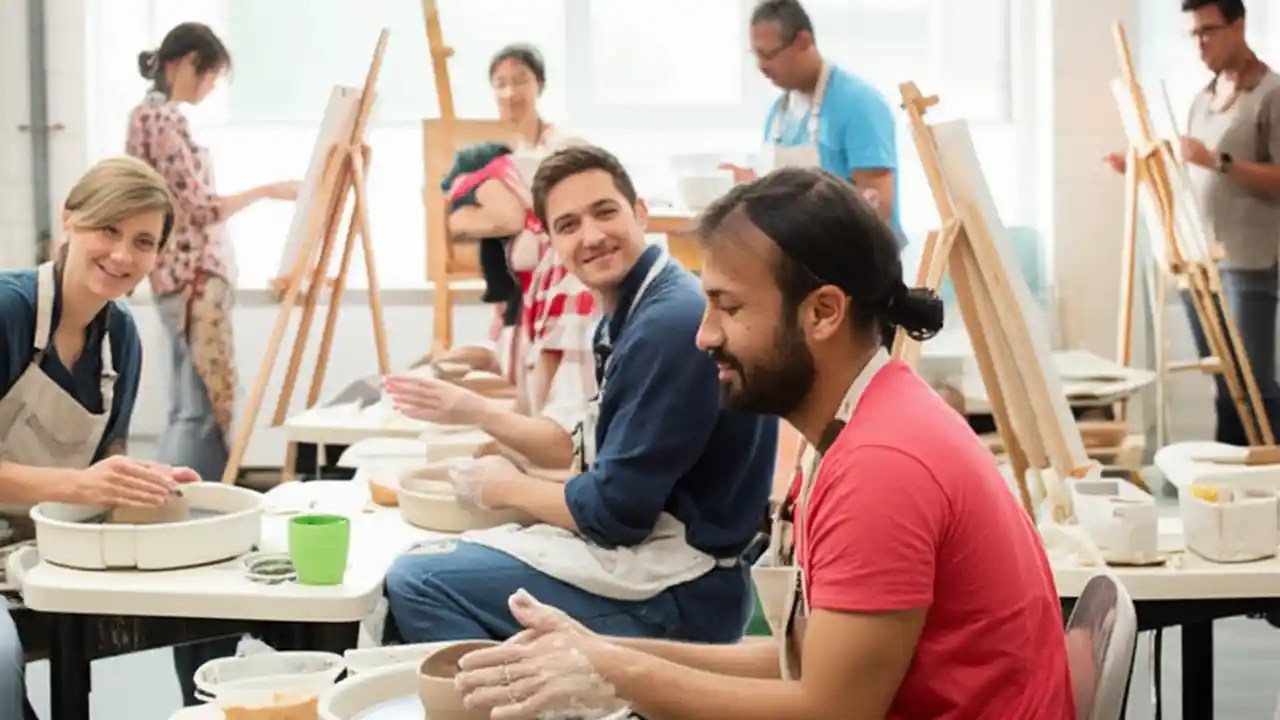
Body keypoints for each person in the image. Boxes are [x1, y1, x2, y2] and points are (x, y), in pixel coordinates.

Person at [450, 167, 1076, 720]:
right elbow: (800, 663)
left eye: (728, 307)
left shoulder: (882, 465)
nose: (703, 336)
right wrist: (601, 653)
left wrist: (618, 675)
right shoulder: (853, 425)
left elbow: (830, 709)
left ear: (824, 312)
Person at [383, 145, 778, 646]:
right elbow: (596, 459)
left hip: (683, 592)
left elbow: (615, 516)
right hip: (663, 562)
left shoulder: (668, 322)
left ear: (640, 213)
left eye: (605, 212)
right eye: (568, 225)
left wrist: (506, 487)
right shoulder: (629, 310)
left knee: (418, 581)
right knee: (436, 558)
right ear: (549, 240)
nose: (591, 236)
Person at [124, 22, 299, 705]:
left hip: (180, 280)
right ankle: (187, 518)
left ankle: (176, 512)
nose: (205, 89)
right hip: (193, 276)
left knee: (187, 405)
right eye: (207, 75)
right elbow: (196, 206)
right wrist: (270, 190)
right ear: (184, 63)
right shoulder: (162, 117)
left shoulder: (153, 117)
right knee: (201, 408)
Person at [0, 157, 199, 720]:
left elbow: (107, 453)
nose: (121, 255)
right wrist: (80, 485)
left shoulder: (120, 337)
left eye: (142, 241)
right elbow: (83, 479)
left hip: (37, 545)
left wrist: (142, 482)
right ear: (70, 221)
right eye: (107, 230)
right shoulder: (9, 310)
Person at [1105, 0, 1280, 445]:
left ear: (1238, 26)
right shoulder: (1203, 98)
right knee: (1224, 388)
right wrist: (1143, 166)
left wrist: (1218, 160)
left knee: (1254, 388)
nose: (1200, 44)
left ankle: (1267, 487)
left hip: (1249, 261)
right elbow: (1190, 171)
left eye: (1209, 31)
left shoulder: (1271, 94)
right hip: (1200, 259)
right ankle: (1225, 488)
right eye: (1193, 34)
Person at [723, 0, 901, 241]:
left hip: (855, 256)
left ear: (803, 41)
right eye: (756, 55)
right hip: (799, 252)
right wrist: (752, 184)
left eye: (769, 55)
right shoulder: (779, 113)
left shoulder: (858, 103)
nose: (761, 67)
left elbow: (879, 203)